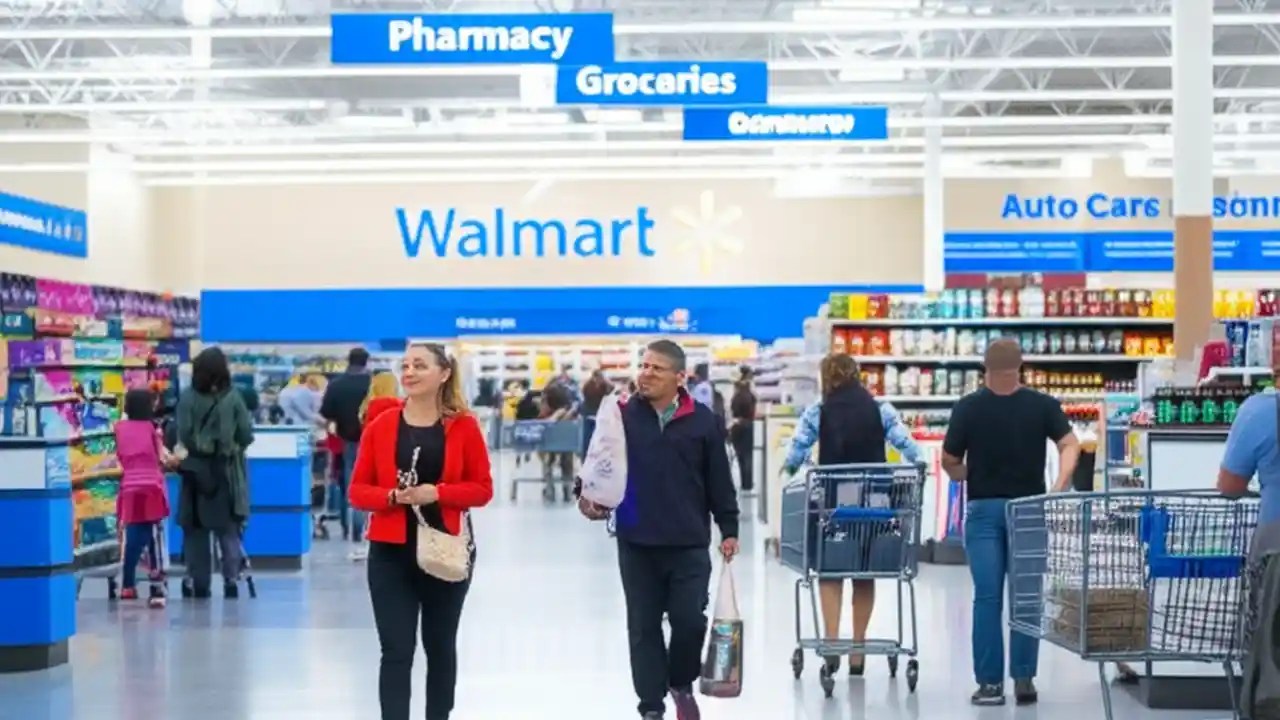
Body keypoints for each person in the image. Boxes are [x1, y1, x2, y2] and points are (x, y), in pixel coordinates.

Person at [578, 339, 740, 720]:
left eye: (656, 368)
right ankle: (650, 706)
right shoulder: (621, 416)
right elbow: (598, 462)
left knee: (689, 621)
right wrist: (585, 495)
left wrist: (729, 526)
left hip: (688, 541)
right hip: (637, 539)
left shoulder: (704, 421)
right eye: (644, 366)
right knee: (643, 626)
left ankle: (680, 682)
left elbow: (720, 480)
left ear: (679, 377)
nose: (646, 374)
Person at [347, 343, 493, 720]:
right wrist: (393, 496)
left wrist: (438, 493)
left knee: (440, 646)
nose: (409, 372)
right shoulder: (381, 426)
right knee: (395, 649)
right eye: (405, 365)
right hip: (390, 553)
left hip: (445, 549)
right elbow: (358, 490)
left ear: (444, 373)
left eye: (420, 365)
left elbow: (482, 488)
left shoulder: (464, 427)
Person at [940, 338, 1079, 706]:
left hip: (984, 512)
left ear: (984, 369)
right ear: (1021, 368)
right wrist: (1059, 485)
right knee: (1026, 598)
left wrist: (968, 472)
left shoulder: (967, 409)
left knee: (987, 598)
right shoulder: (1042, 406)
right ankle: (1024, 680)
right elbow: (1070, 444)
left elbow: (949, 461)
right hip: (1029, 510)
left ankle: (989, 685)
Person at [781, 353, 922, 676]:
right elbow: (908, 446)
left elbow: (796, 452)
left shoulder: (818, 411)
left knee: (831, 569)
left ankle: (832, 644)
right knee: (864, 570)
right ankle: (858, 647)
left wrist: (797, 469)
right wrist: (918, 469)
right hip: (874, 504)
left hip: (834, 505)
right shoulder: (880, 409)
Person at [176, 346, 256, 599]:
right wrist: (231, 447)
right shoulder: (233, 397)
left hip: (195, 472)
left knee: (195, 529)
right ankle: (231, 580)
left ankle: (199, 582)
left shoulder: (187, 397)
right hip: (227, 471)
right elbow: (246, 434)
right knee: (228, 529)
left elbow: (182, 434)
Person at [115, 388, 176, 607]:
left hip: (130, 487)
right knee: (155, 538)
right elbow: (163, 457)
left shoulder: (119, 429)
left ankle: (128, 586)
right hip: (152, 487)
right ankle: (157, 587)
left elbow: (119, 456)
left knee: (133, 537)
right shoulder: (153, 429)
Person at [321, 347, 374, 543]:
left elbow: (326, 412)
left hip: (347, 440)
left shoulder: (336, 385)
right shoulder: (372, 384)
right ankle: (363, 527)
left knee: (349, 482)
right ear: (366, 362)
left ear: (348, 361)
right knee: (368, 483)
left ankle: (347, 527)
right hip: (371, 440)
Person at [728, 370, 757, 493]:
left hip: (737, 426)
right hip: (748, 425)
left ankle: (744, 482)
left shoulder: (737, 395)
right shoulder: (750, 395)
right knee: (748, 455)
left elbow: (733, 408)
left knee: (740, 455)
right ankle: (748, 483)